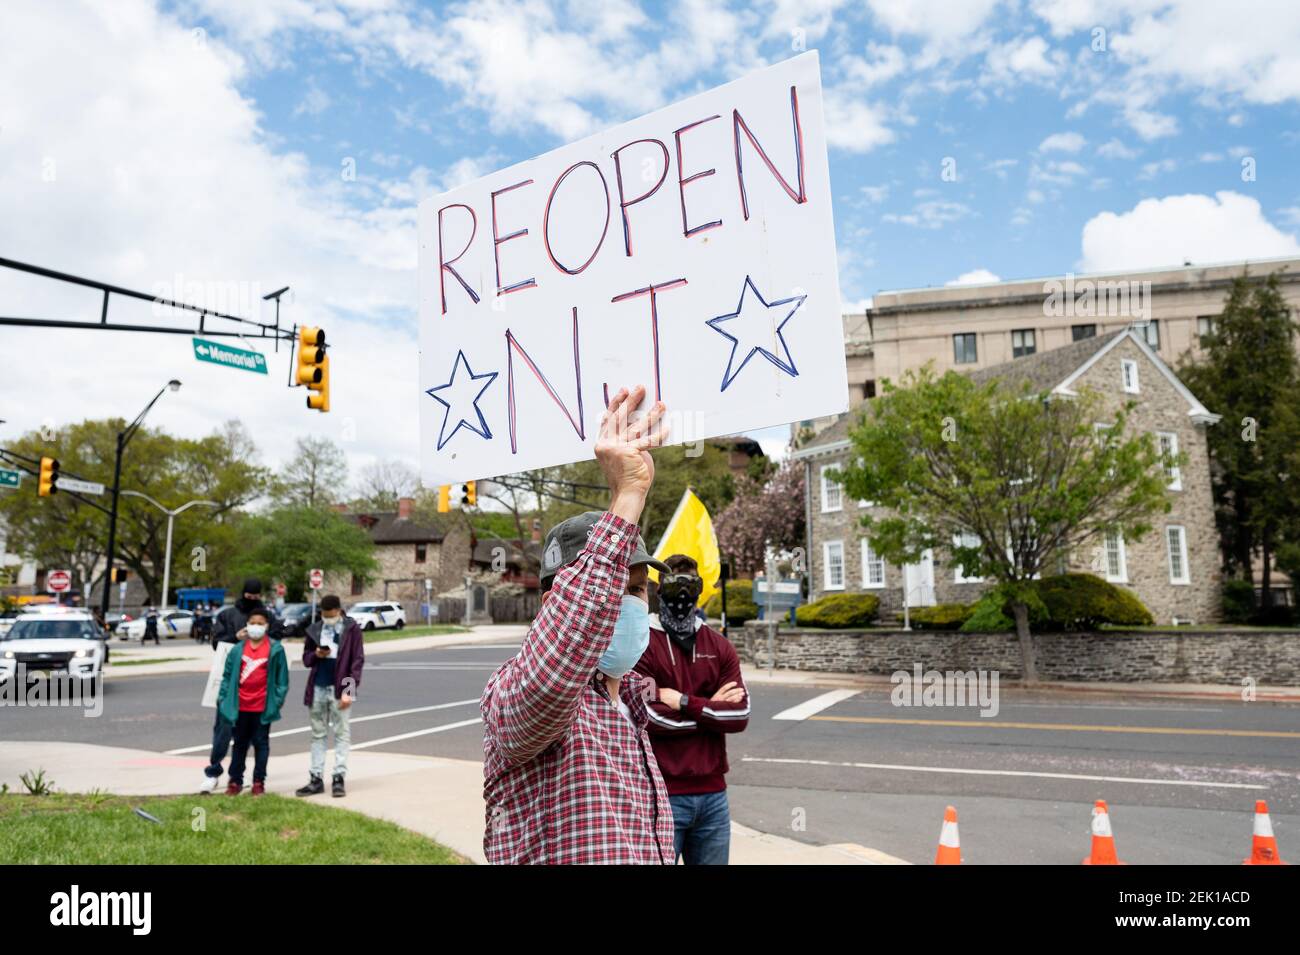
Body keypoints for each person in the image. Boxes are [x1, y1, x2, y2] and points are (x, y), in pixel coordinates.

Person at [480, 384, 675, 864]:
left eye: (637, 590)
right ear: (553, 601)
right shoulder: (517, 694)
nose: (628, 604)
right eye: (614, 589)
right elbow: (557, 667)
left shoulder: (630, 702)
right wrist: (628, 495)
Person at [634, 553, 750, 865]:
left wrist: (684, 702)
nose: (683, 595)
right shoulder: (641, 642)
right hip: (662, 796)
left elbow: (739, 715)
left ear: (700, 589)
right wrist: (713, 711)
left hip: (714, 797)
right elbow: (648, 716)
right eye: (674, 585)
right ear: (660, 590)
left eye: (691, 585)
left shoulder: (719, 646)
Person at [200, 579, 281, 793]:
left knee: (251, 738)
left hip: (257, 693)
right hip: (233, 686)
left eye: (256, 597)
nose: (252, 600)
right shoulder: (228, 615)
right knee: (223, 730)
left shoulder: (267, 616)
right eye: (249, 596)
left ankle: (242, 776)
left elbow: (280, 634)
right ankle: (214, 771)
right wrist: (235, 637)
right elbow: (216, 642)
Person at [215, 605, 288, 796]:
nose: (256, 626)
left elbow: (282, 681)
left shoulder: (276, 649)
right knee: (239, 744)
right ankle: (235, 781)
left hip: (263, 707)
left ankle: (258, 781)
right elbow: (227, 676)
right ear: (247, 625)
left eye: (260, 624)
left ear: (267, 626)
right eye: (253, 623)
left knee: (261, 744)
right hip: (240, 706)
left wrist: (277, 700)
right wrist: (223, 698)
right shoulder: (238, 650)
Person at [296, 594, 364, 798]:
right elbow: (306, 659)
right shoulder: (315, 629)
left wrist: (348, 692)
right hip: (317, 686)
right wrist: (316, 654)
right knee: (317, 734)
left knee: (342, 733)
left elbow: (357, 661)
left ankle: (338, 777)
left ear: (338, 610)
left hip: (339, 688)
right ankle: (316, 778)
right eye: (323, 614)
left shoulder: (351, 630)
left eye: (329, 613)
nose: (326, 617)